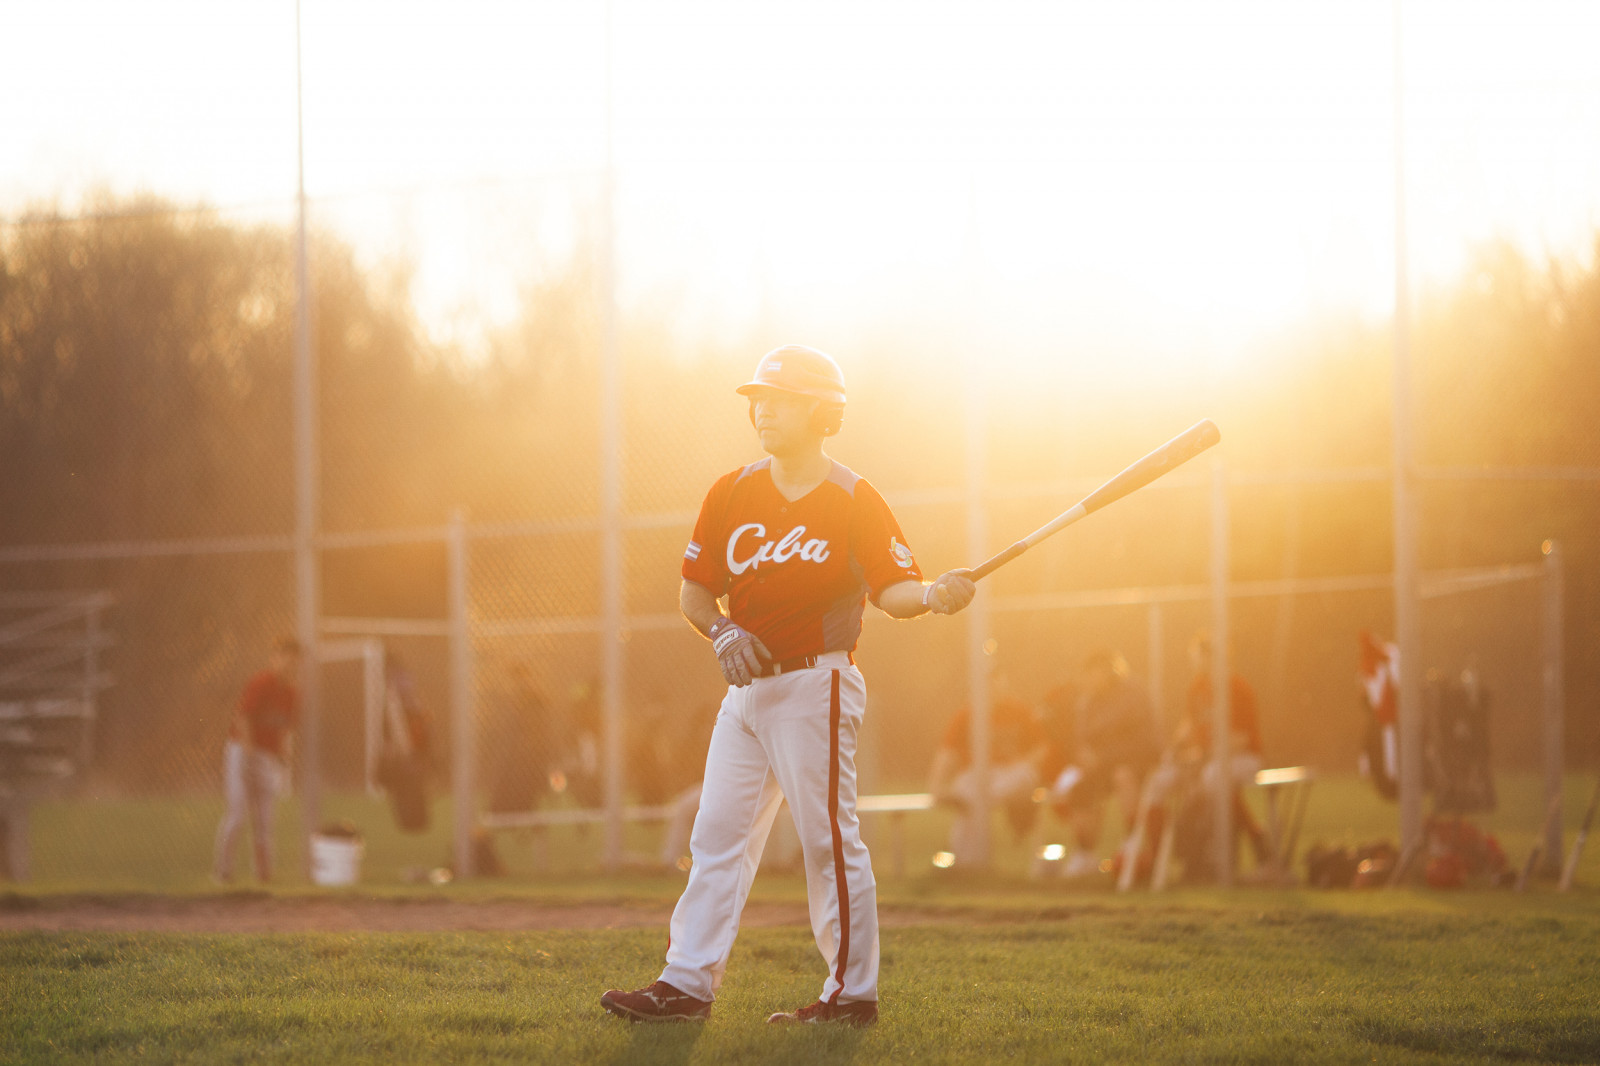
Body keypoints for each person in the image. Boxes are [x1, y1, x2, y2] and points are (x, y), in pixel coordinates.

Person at [600, 344, 976, 1027]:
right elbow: (693, 591)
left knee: (829, 840)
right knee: (717, 838)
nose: (761, 410)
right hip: (744, 694)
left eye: (778, 400)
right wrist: (721, 632)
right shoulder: (732, 490)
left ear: (823, 413)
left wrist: (934, 594)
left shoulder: (854, 497)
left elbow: (894, 591)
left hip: (816, 687)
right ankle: (685, 985)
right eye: (758, 399)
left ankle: (851, 995)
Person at [1049, 648, 1161, 877]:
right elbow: (1079, 740)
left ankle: (1133, 841)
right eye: (1087, 674)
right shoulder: (1088, 702)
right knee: (1077, 790)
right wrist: (1082, 754)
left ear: (1108, 671)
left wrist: (1104, 756)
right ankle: (1085, 852)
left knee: (1123, 776)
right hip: (1100, 768)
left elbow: (1143, 741)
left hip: (1133, 763)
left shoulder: (1132, 695)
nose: (1090, 679)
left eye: (1095, 673)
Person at [1168, 630, 1267, 877]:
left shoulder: (1237, 687)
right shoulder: (1198, 688)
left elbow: (1243, 739)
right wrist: (1177, 748)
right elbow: (1189, 725)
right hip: (1212, 759)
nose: (1198, 662)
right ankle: (1195, 855)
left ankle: (1251, 838)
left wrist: (1210, 753)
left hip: (1245, 757)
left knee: (1213, 777)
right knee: (1194, 780)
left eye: (1204, 656)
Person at [928, 675, 1053, 861]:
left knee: (1014, 780)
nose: (994, 689)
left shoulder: (1018, 710)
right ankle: (962, 861)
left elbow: (1042, 749)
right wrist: (935, 787)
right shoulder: (967, 714)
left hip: (1012, 771)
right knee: (967, 796)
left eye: (997, 683)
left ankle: (958, 858)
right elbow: (947, 753)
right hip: (977, 775)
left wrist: (1023, 762)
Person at [213, 636, 300, 884]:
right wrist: (249, 753)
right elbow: (243, 718)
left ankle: (264, 875)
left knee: (265, 819)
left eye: (295, 661)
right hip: (241, 751)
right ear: (275, 658)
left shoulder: (292, 693)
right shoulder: (262, 682)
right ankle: (223, 871)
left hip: (267, 757)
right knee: (238, 814)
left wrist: (283, 755)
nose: (290, 664)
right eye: (286, 658)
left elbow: (285, 729)